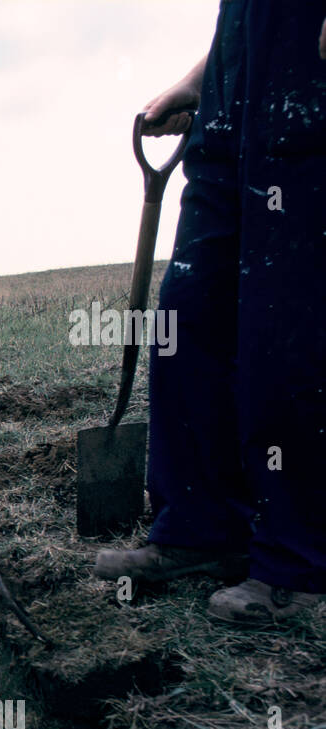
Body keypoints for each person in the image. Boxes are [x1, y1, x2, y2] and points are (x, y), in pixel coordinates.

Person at [94, 2, 326, 626]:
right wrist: (199, 80)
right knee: (188, 318)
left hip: (308, 103)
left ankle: (300, 562)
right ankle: (202, 529)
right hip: (230, 112)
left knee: (283, 338)